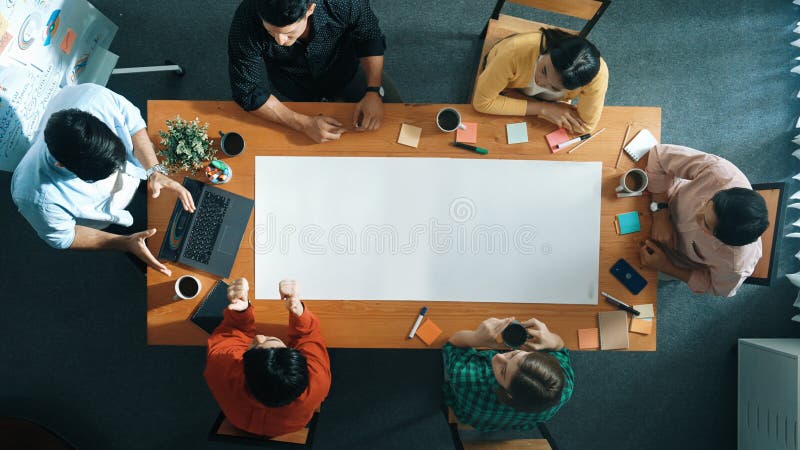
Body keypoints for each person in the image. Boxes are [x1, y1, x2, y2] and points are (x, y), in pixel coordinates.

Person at [10, 83, 194, 276]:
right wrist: (123, 243)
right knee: (150, 256)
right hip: (107, 215)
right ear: (62, 165)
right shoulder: (34, 197)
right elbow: (65, 236)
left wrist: (155, 170)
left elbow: (133, 126)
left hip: (138, 173)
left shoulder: (95, 96)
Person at [228, 0, 399, 144]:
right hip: (293, 85)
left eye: (288, 33)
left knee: (396, 121)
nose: (279, 41)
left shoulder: (342, 3)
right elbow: (246, 90)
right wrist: (303, 124)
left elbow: (369, 37)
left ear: (310, 8)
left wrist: (374, 90)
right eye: (270, 32)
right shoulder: (246, 20)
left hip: (346, 68)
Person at [205, 278, 330, 437]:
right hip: (287, 426)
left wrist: (241, 313)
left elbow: (230, 335)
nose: (259, 337)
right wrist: (297, 310)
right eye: (271, 340)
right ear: (297, 357)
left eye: (254, 347)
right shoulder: (318, 380)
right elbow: (308, 336)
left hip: (239, 421)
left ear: (243, 369)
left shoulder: (221, 369)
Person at [639, 144, 769, 297]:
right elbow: (659, 155)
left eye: (705, 224)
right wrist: (661, 214)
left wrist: (666, 266)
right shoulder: (720, 173)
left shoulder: (735, 264)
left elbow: (716, 287)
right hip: (661, 199)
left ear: (723, 241)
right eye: (707, 204)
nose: (697, 215)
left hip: (667, 259)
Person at [442, 317, 574, 431]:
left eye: (503, 371)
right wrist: (552, 340)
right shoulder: (563, 387)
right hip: (520, 421)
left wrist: (476, 338)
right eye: (514, 354)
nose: (498, 356)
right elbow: (561, 347)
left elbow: (453, 345)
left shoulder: (468, 380)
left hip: (475, 415)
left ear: (508, 394)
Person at [472, 28, 608, 134]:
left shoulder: (596, 77)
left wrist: (533, 105)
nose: (541, 82)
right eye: (544, 70)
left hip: (526, 96)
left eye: (554, 88)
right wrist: (544, 108)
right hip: (506, 76)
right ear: (548, 49)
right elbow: (481, 103)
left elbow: (585, 126)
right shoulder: (513, 52)